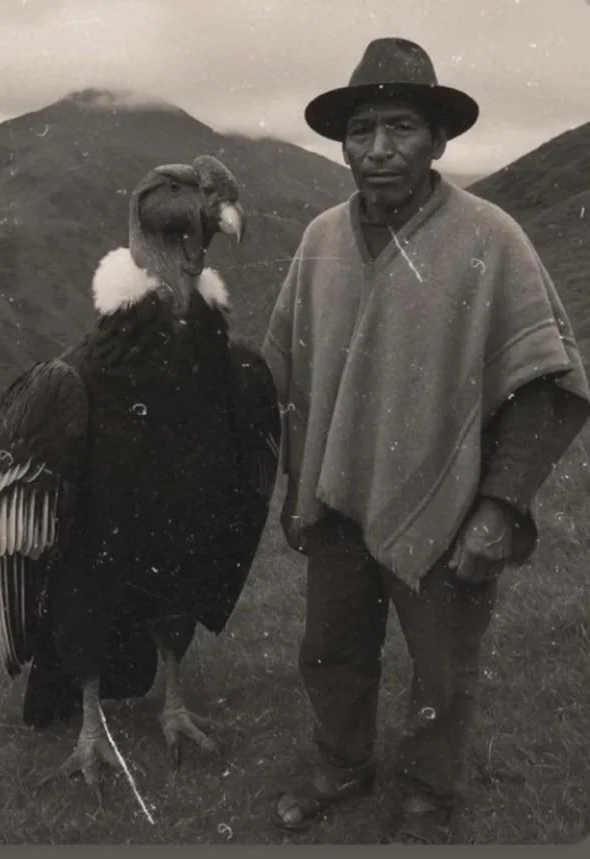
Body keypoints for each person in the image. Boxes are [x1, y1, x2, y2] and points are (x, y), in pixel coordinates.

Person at [262, 37, 590, 843]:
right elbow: (291, 379)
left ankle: (425, 796)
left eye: (401, 127)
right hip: (335, 493)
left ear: (437, 141)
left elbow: (541, 381)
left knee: (442, 667)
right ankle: (341, 765)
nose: (378, 148)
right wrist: (297, 487)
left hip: (453, 503)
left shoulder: (489, 238)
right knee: (330, 648)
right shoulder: (320, 241)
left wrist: (499, 507)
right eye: (361, 130)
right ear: (343, 145)